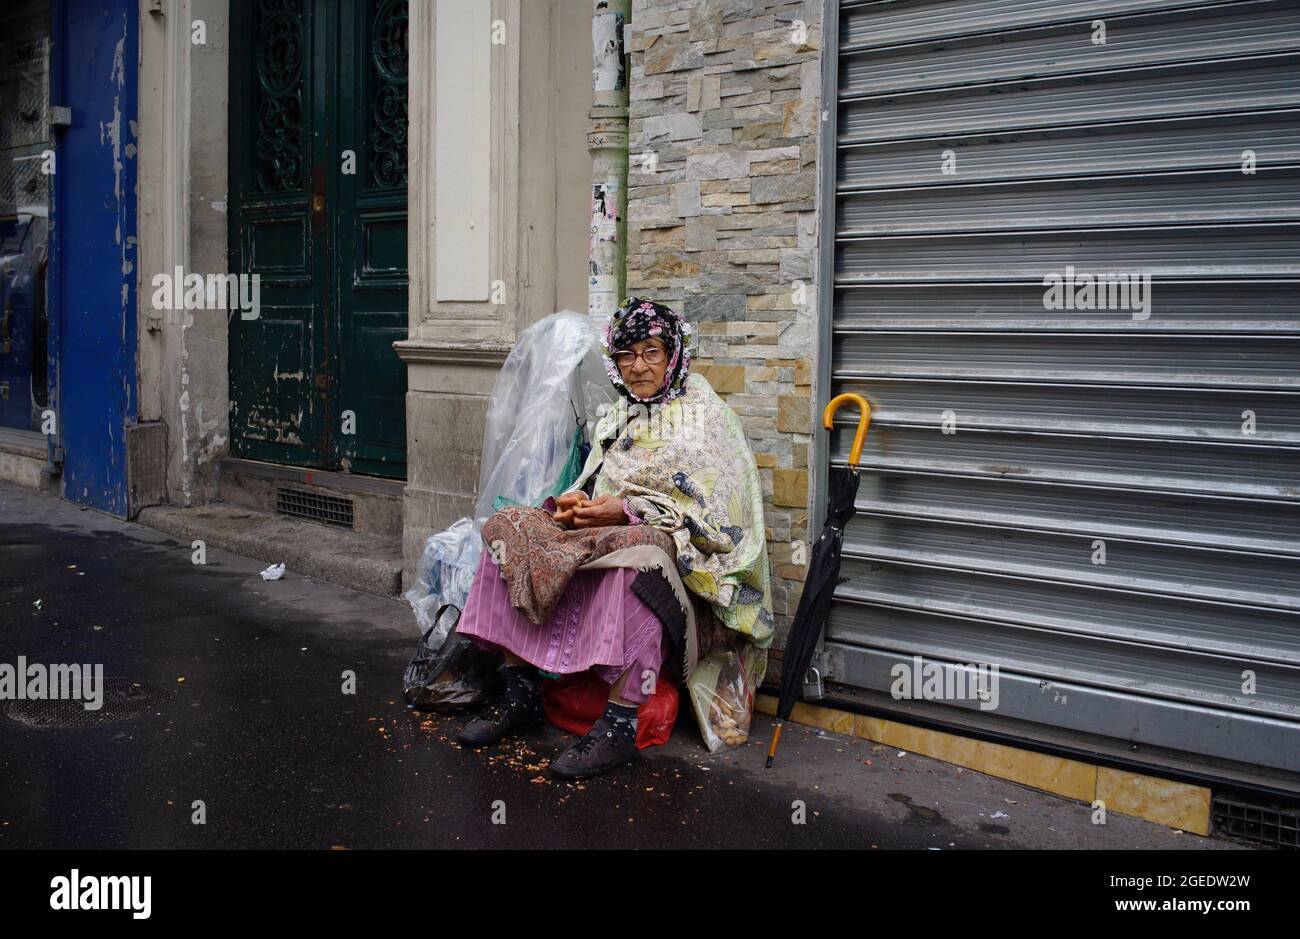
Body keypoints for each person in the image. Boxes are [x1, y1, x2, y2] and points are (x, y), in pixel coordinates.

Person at [454, 297, 774, 780]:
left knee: (639, 552)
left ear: (674, 356)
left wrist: (626, 511)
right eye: (627, 354)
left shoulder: (707, 419)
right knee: (508, 529)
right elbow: (599, 481)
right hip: (606, 533)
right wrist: (576, 502)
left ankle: (620, 725)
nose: (638, 365)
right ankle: (519, 692)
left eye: (651, 352)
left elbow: (716, 521)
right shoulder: (620, 414)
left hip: (687, 565)